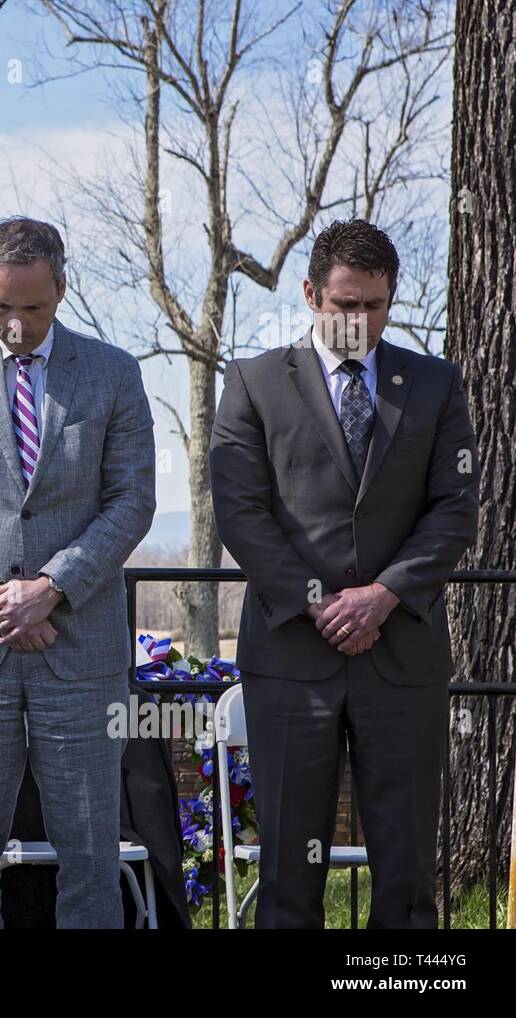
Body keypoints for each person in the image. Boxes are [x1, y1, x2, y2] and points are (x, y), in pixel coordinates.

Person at [208, 218, 480, 929]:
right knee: (289, 880)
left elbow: (455, 510)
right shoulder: (253, 383)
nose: (360, 320)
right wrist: (318, 602)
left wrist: (384, 595)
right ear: (309, 294)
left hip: (403, 658)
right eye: (345, 304)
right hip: (293, 660)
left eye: (375, 305)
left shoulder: (434, 384)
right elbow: (242, 514)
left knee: (407, 872)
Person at [0, 216, 156, 928]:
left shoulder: (114, 373)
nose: (16, 325)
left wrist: (52, 590)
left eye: (33, 309)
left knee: (92, 858)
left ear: (62, 289)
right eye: (1, 306)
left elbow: (133, 501)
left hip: (81, 651)